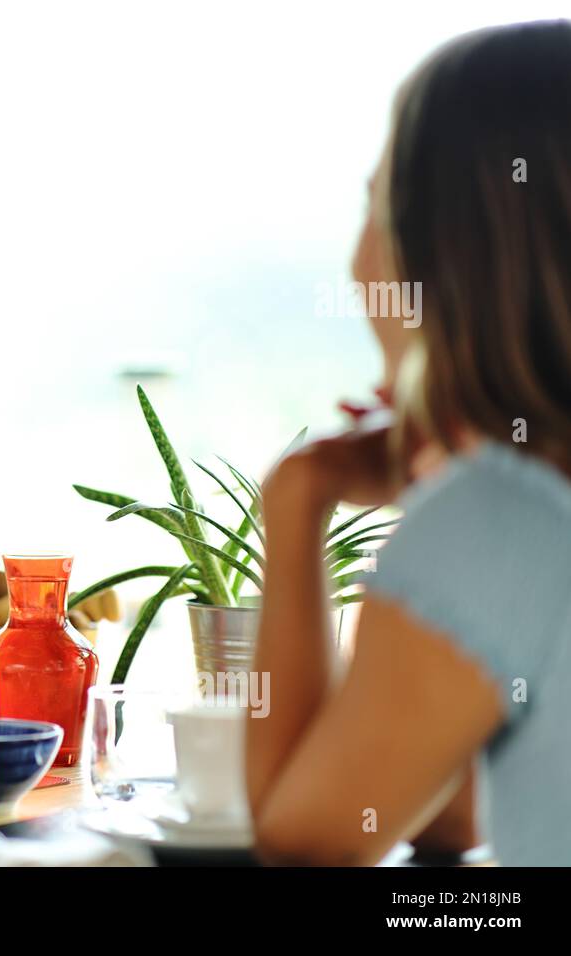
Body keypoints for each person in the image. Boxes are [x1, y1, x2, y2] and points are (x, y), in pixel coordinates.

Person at [247, 20, 571, 866]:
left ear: (439, 250)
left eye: (376, 202)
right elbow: (454, 817)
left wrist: (297, 495)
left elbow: (305, 840)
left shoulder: (501, 520)